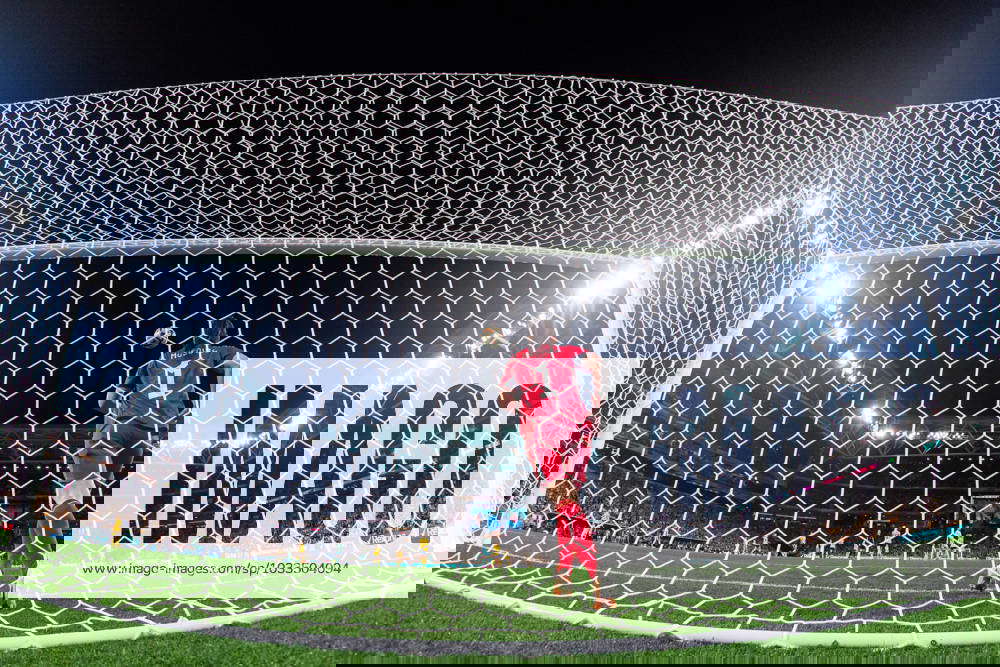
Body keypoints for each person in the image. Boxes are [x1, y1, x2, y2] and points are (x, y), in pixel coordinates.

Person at [499, 319, 615, 609]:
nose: (549, 337)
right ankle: (588, 588)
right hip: (551, 439)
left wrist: (595, 412)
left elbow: (596, 371)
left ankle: (570, 584)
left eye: (551, 332)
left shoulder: (565, 354)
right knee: (568, 509)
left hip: (569, 434)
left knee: (567, 510)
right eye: (544, 332)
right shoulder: (524, 361)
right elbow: (504, 400)